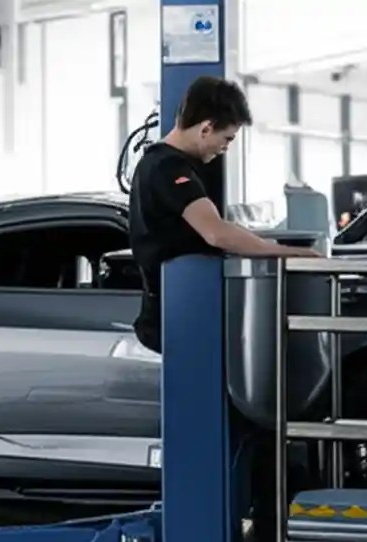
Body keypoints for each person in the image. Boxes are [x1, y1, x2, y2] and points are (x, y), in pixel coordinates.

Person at [127, 75, 318, 354]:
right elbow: (216, 232)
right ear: (206, 128)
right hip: (176, 314)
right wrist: (286, 253)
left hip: (181, 305)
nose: (225, 148)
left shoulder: (160, 163)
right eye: (226, 138)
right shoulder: (168, 168)